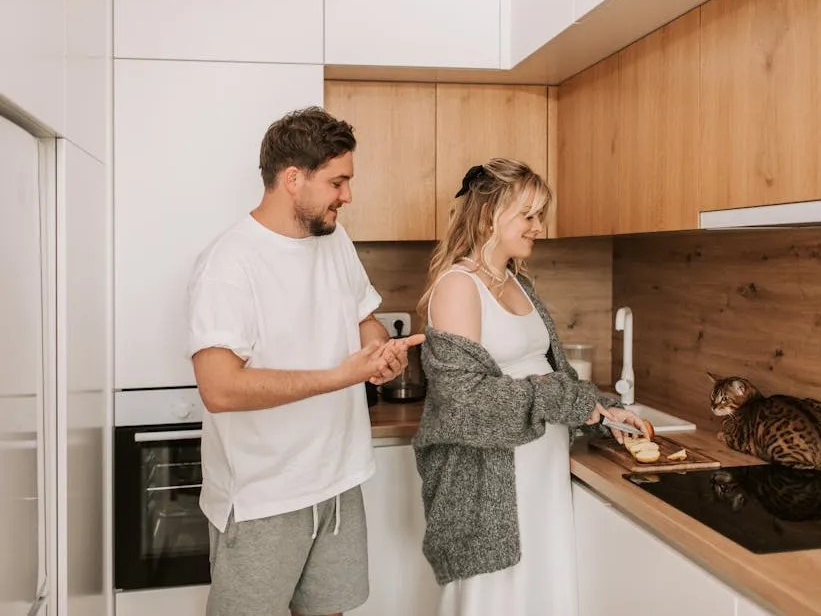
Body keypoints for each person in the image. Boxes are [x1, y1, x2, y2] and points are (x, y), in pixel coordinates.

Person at [186, 106, 423, 616]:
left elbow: (363, 317)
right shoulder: (229, 263)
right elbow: (220, 388)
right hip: (261, 501)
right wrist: (342, 375)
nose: (348, 196)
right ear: (293, 178)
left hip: (337, 482)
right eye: (338, 181)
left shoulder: (333, 240)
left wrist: (381, 354)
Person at [412, 158, 650, 615]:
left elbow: (548, 375)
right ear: (488, 216)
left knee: (540, 593)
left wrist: (602, 409)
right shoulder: (458, 287)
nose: (539, 226)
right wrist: (564, 399)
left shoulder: (519, 284)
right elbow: (464, 402)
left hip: (540, 471)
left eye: (540, 214)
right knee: (497, 599)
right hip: (489, 482)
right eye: (528, 214)